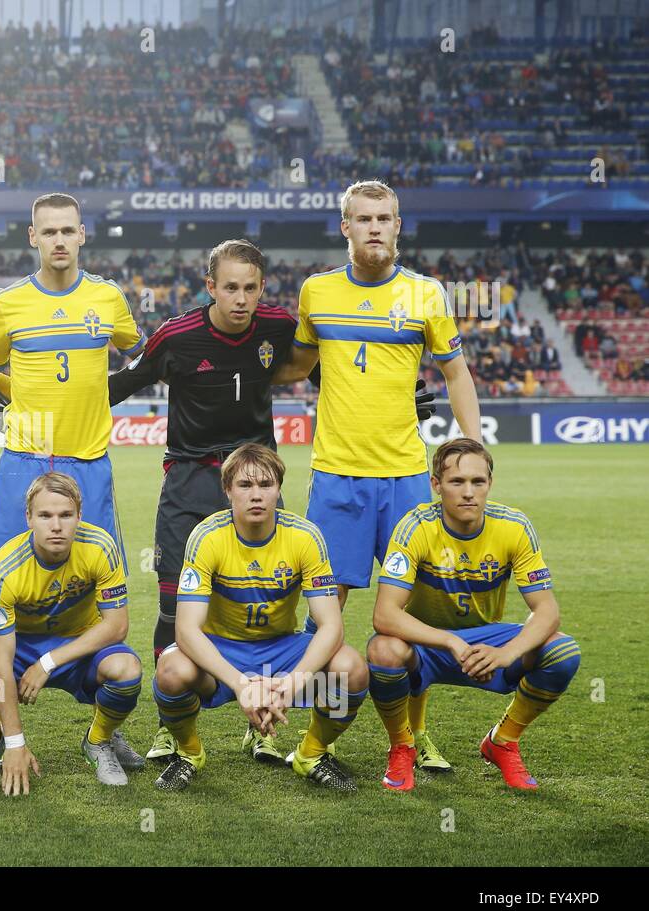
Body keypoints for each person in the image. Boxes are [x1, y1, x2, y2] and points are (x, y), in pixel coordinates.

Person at [275, 180, 482, 774]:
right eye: (362, 218)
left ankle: (412, 737)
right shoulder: (317, 291)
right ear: (345, 227)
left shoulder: (426, 294)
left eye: (384, 218)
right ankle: (312, 740)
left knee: (413, 616)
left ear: (398, 225)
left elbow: (456, 373)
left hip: (406, 479)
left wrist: (468, 444)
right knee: (323, 614)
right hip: (337, 477)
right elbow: (298, 365)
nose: (374, 227)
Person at [105, 238, 301, 765]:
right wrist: (39, 399)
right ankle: (173, 727)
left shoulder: (279, 327)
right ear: (209, 287)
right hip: (190, 481)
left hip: (254, 480)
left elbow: (317, 369)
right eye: (230, 287)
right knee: (173, 606)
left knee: (265, 604)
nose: (241, 299)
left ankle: (264, 721)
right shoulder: (177, 335)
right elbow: (124, 383)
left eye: (251, 288)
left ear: (263, 288)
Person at [151, 443, 367, 793]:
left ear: (278, 489)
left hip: (282, 650)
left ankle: (311, 753)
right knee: (172, 669)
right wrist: (241, 685)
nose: (256, 496)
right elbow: (187, 630)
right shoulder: (206, 537)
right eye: (245, 486)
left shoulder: (304, 537)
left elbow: (331, 626)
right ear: (227, 490)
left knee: (352, 669)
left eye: (265, 485)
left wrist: (295, 681)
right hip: (222, 654)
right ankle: (189, 754)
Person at [369, 439, 580, 791]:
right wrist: (449, 641)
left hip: (488, 640)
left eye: (477, 482)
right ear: (436, 485)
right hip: (429, 645)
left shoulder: (514, 526)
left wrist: (506, 653)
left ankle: (503, 741)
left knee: (562, 651)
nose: (468, 492)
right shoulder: (415, 526)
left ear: (490, 484)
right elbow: (385, 615)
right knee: (383, 650)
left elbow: (547, 612)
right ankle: (402, 747)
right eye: (456, 482)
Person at [0, 192, 144, 582]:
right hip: (25, 458)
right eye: (49, 231)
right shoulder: (8, 303)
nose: (59, 240)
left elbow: (146, 357)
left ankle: (90, 646)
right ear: (32, 236)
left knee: (100, 582)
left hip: (88, 460)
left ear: (82, 235)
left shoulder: (107, 297)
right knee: (4, 576)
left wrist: (110, 390)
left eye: (67, 230)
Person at [0, 472, 142, 794]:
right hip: (19, 644)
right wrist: (15, 742)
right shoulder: (3, 569)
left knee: (126, 670)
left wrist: (48, 662)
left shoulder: (101, 547)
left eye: (65, 515)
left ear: (79, 515)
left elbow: (117, 626)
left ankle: (99, 741)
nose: (56, 525)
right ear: (29, 518)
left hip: (79, 644)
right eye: (45, 515)